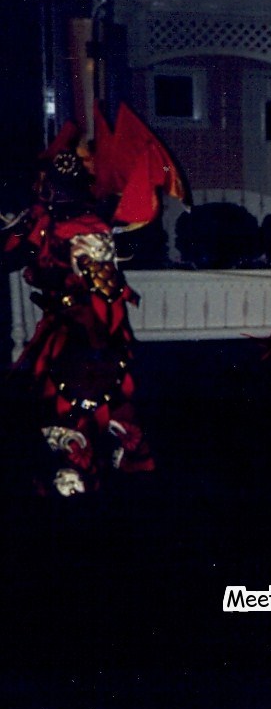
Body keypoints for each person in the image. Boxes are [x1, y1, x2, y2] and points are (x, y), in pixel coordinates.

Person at [3, 150, 154, 496]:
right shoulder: (45, 223)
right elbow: (19, 255)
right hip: (62, 321)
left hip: (83, 325)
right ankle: (77, 464)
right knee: (58, 392)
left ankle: (85, 467)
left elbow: (106, 285)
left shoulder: (86, 229)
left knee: (80, 391)